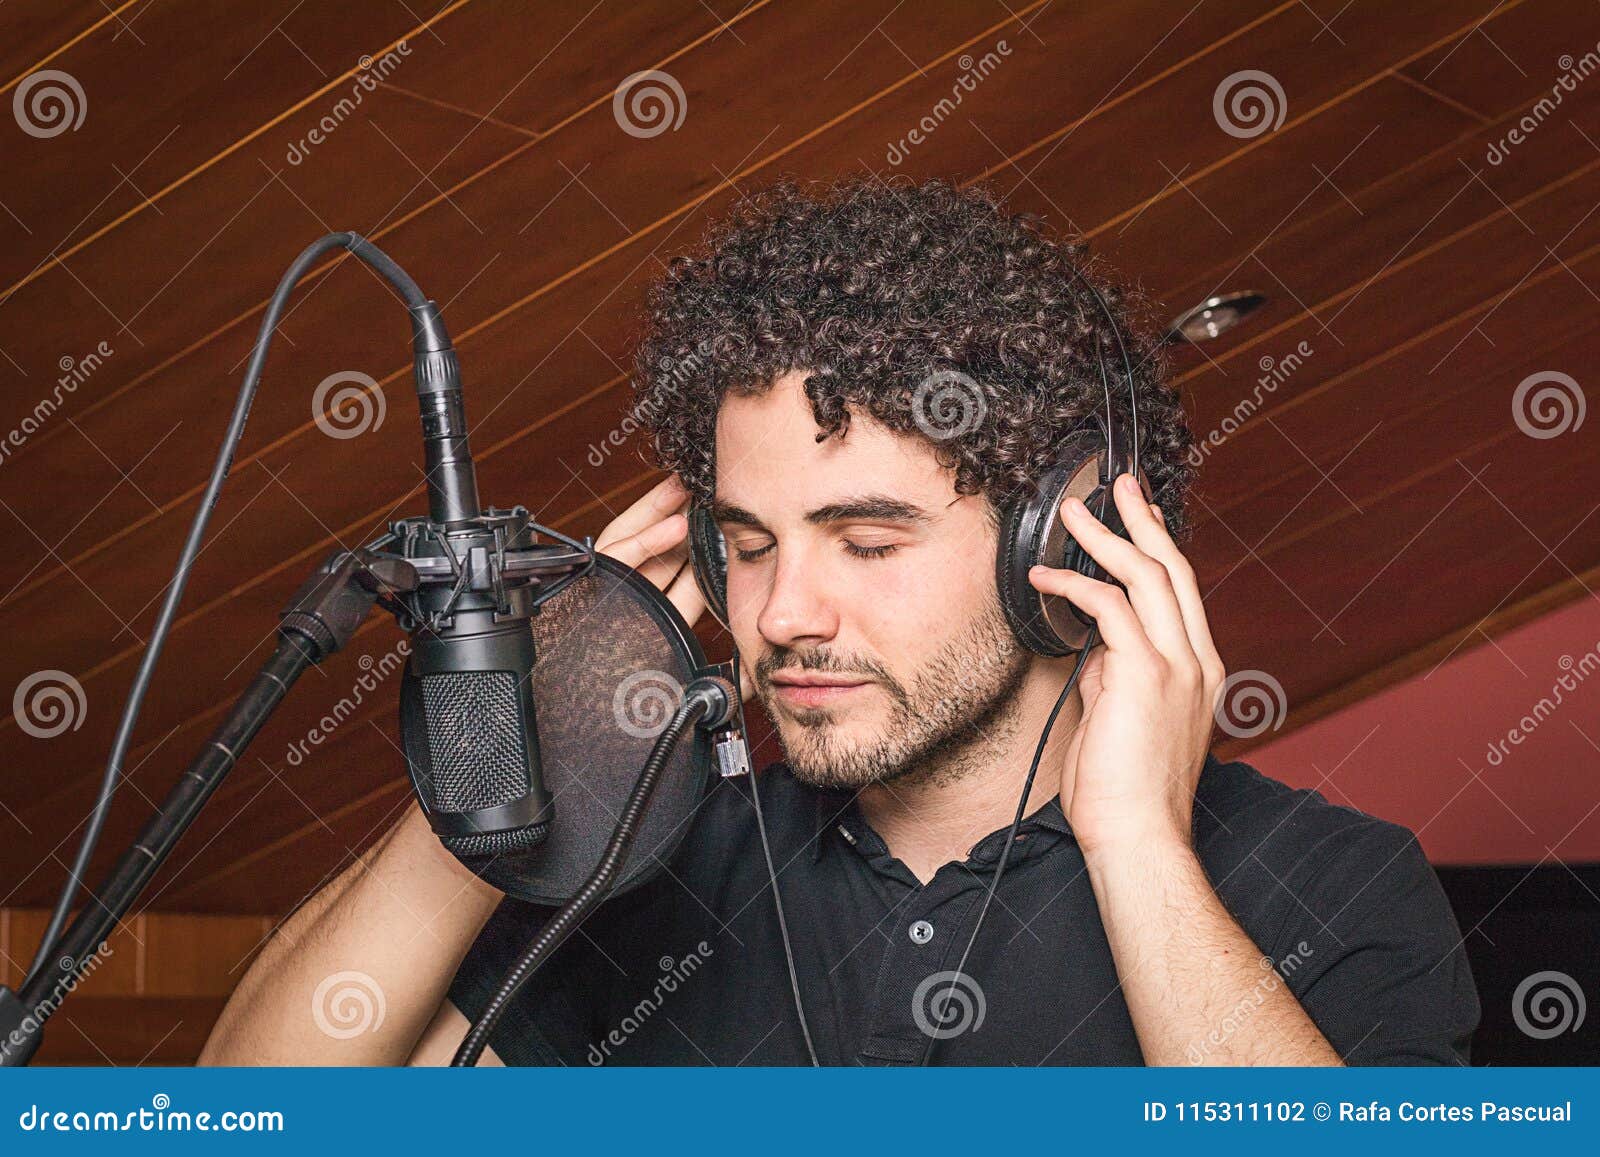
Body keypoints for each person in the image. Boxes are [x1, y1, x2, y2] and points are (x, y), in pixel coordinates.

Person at [200, 178, 1478, 1067]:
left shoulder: (1328, 884)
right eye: (746, 544)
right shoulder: (653, 862)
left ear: (1067, 544)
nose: (783, 612)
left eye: (867, 542)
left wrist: (1137, 844)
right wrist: (509, 768)